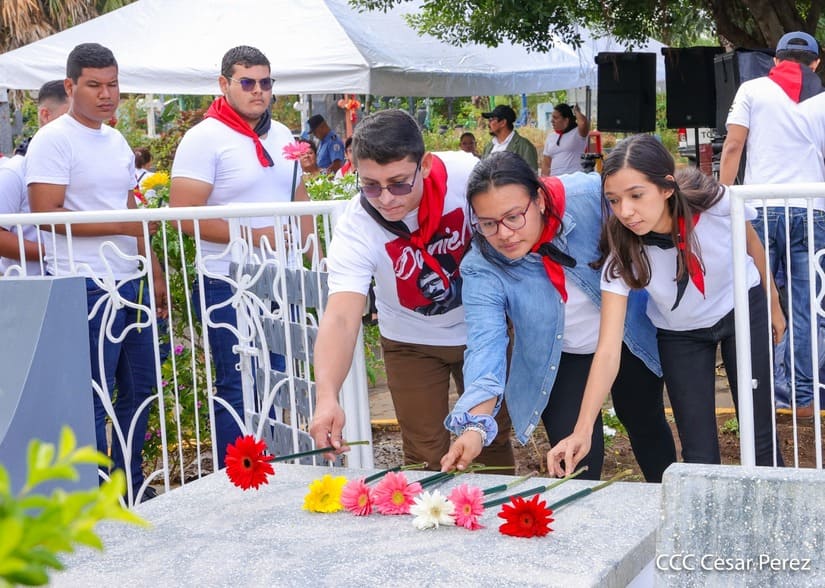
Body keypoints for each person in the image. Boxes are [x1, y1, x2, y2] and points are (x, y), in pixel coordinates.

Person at [548, 135, 785, 477]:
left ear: (666, 188)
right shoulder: (624, 253)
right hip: (680, 334)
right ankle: (707, 524)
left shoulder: (716, 203)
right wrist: (582, 428)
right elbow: (608, 350)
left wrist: (773, 304)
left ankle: (775, 518)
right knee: (698, 450)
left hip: (742, 311)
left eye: (636, 195)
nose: (625, 211)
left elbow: (752, 246)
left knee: (759, 434)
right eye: (613, 200)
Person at [439, 151, 676, 481]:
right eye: (488, 223)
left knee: (646, 425)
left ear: (537, 199)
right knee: (573, 460)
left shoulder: (590, 197)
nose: (504, 234)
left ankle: (671, 514)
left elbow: (649, 196)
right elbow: (485, 347)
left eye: (513, 217)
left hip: (626, 339)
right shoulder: (482, 265)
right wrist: (474, 427)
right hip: (562, 355)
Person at [309, 109, 514, 472]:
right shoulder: (356, 226)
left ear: (427, 165)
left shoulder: (466, 175)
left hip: (485, 333)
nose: (386, 198)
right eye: (370, 185)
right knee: (423, 454)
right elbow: (341, 316)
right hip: (411, 342)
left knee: (490, 440)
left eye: (399, 182)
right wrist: (327, 396)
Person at [26, 43, 165, 501]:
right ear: (70, 87)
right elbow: (47, 215)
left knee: (140, 387)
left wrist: (155, 270)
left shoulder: (117, 139)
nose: (107, 95)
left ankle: (127, 484)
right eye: (95, 85)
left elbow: (131, 209)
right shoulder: (54, 139)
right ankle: (89, 490)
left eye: (113, 85)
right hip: (82, 282)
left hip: (130, 278)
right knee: (92, 393)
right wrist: (124, 226)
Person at [169, 45, 316, 468]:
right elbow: (183, 217)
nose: (258, 91)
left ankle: (269, 471)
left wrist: (314, 259)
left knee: (277, 379)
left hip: (280, 279)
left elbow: (298, 200)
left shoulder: (283, 134)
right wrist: (255, 234)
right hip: (226, 280)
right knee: (238, 384)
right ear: (224, 84)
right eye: (247, 82)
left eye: (265, 82)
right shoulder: (203, 138)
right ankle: (237, 477)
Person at [719, 31, 825, 418]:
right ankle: (801, 398)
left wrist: (721, 200)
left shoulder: (752, 89)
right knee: (807, 307)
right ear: (814, 64)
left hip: (758, 209)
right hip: (812, 210)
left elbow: (732, 147)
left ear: (774, 60)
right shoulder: (822, 99)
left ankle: (759, 393)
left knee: (757, 299)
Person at [0, 79, 69, 276]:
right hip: (28, 288)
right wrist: (54, 253)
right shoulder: (15, 172)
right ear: (45, 115)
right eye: (69, 119)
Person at [480, 105, 538, 172]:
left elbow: (531, 176)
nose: (488, 124)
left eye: (491, 120)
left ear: (503, 123)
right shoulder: (488, 147)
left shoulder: (524, 147)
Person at [541, 103, 589, 177]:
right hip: (556, 182)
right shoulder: (551, 137)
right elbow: (546, 164)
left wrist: (576, 111)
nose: (552, 121)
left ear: (566, 120)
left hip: (574, 180)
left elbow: (583, 123)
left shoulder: (577, 133)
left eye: (555, 118)